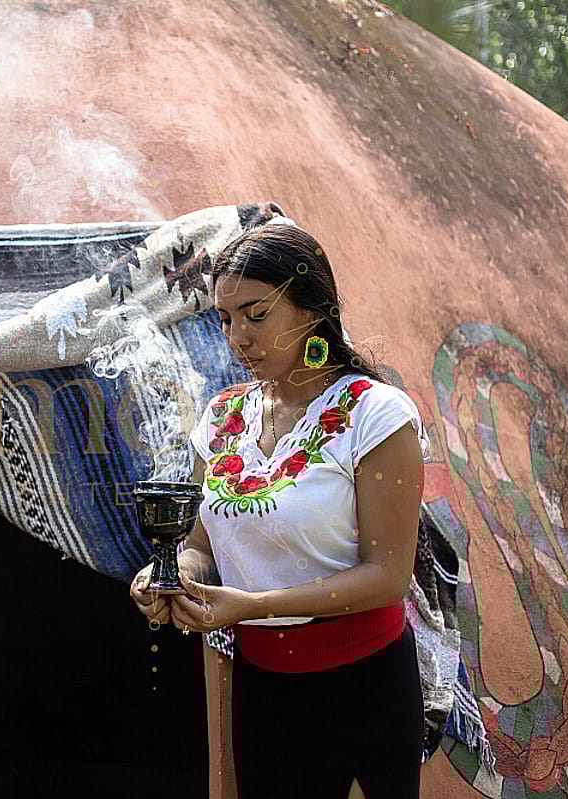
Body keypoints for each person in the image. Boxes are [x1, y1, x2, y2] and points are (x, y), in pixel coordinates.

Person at [129, 222, 429, 798]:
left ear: (310, 307)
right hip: (264, 687)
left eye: (255, 314)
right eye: (224, 319)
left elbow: (388, 577)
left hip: (364, 689)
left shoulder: (375, 415)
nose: (237, 336)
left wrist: (252, 606)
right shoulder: (221, 420)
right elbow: (198, 546)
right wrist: (171, 577)